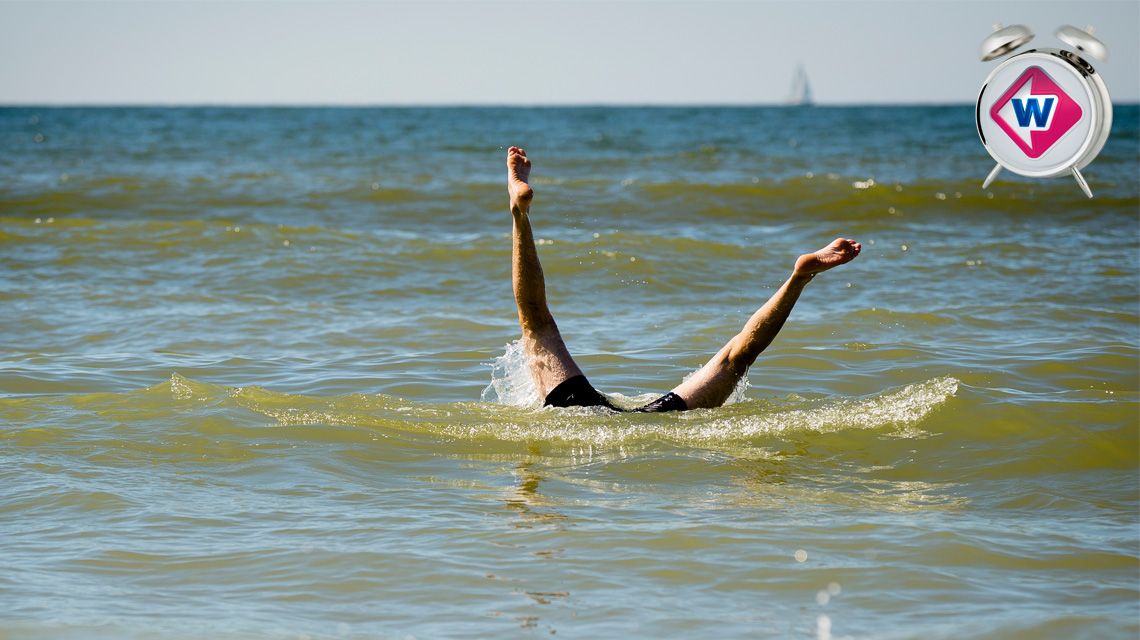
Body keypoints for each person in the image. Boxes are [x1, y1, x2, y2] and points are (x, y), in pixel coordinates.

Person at [506, 146, 861, 412]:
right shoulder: (661, 426)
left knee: (536, 321)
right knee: (735, 356)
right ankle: (797, 279)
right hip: (660, 419)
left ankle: (519, 214)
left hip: (578, 411)